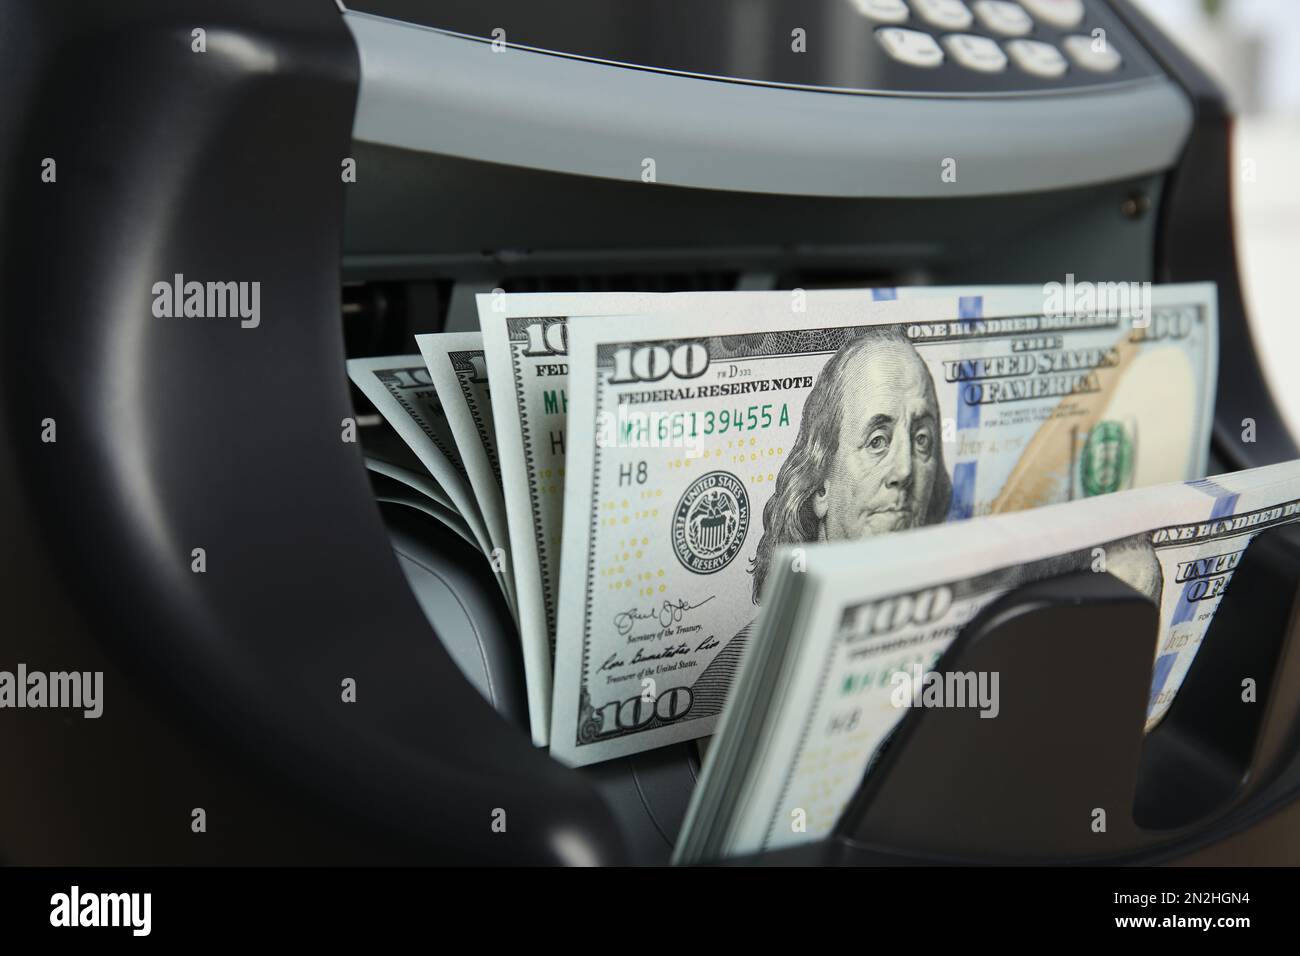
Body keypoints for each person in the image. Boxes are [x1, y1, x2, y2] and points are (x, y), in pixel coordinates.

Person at [692, 327, 953, 716]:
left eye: (922, 440)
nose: (905, 470)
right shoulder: (734, 678)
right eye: (877, 440)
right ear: (820, 487)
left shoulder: (953, 648)